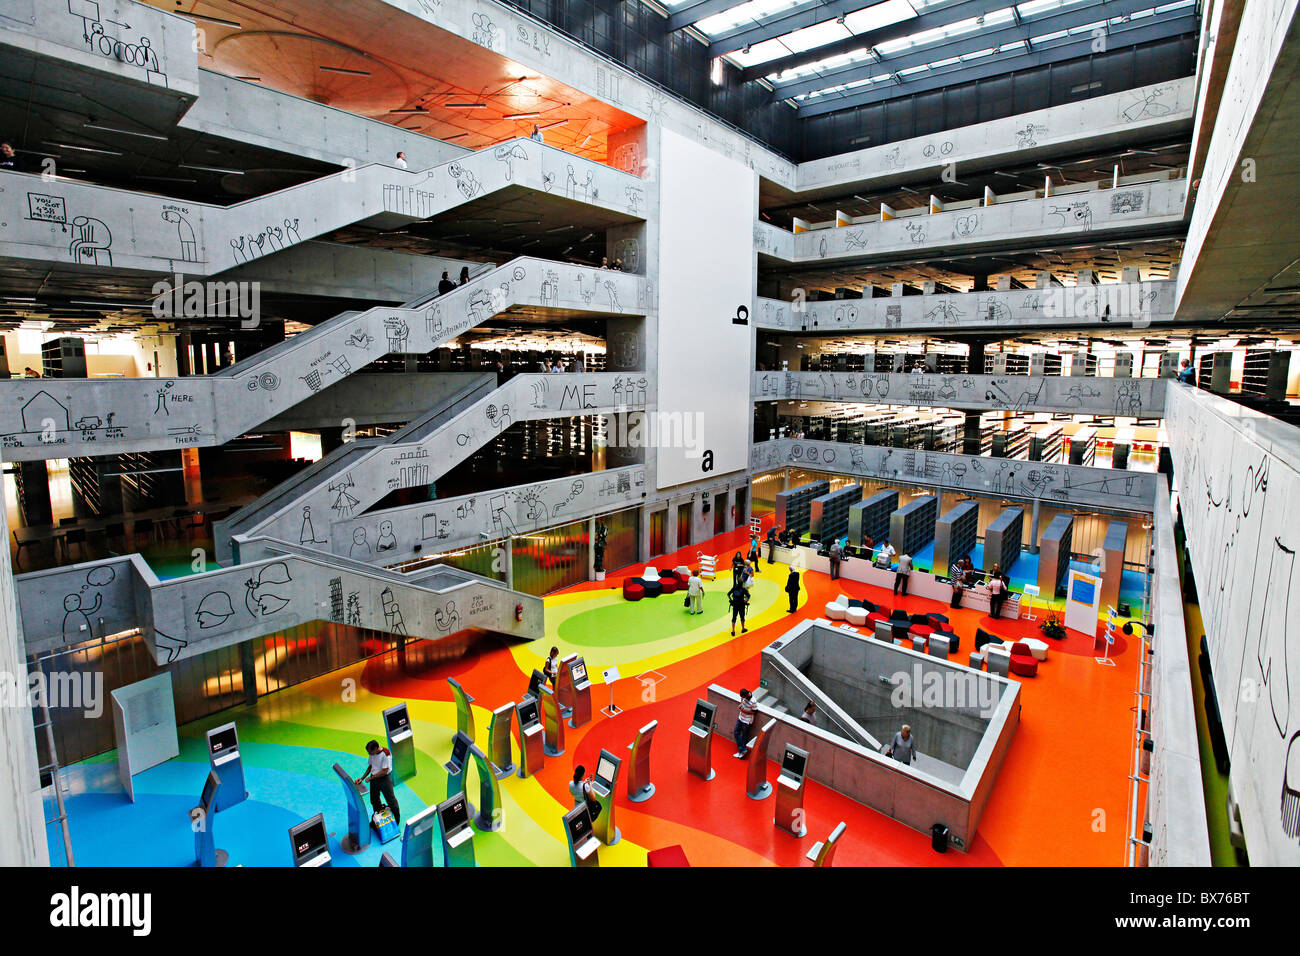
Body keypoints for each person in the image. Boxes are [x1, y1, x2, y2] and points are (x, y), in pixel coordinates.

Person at [356, 739, 400, 824]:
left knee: (390, 800)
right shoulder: (372, 753)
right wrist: (362, 778)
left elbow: (384, 771)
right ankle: (378, 818)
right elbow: (370, 766)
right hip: (374, 778)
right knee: (374, 800)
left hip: (384, 779)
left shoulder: (385, 754)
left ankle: (396, 819)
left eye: (370, 752)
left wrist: (371, 778)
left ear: (376, 748)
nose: (369, 754)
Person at [733, 688, 757, 758]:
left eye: (743, 697)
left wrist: (744, 711)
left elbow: (755, 712)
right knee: (736, 732)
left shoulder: (753, 701)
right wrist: (741, 705)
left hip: (747, 721)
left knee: (744, 736)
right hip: (740, 718)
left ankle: (742, 751)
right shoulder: (743, 697)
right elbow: (742, 703)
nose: (742, 698)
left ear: (746, 695)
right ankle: (743, 749)